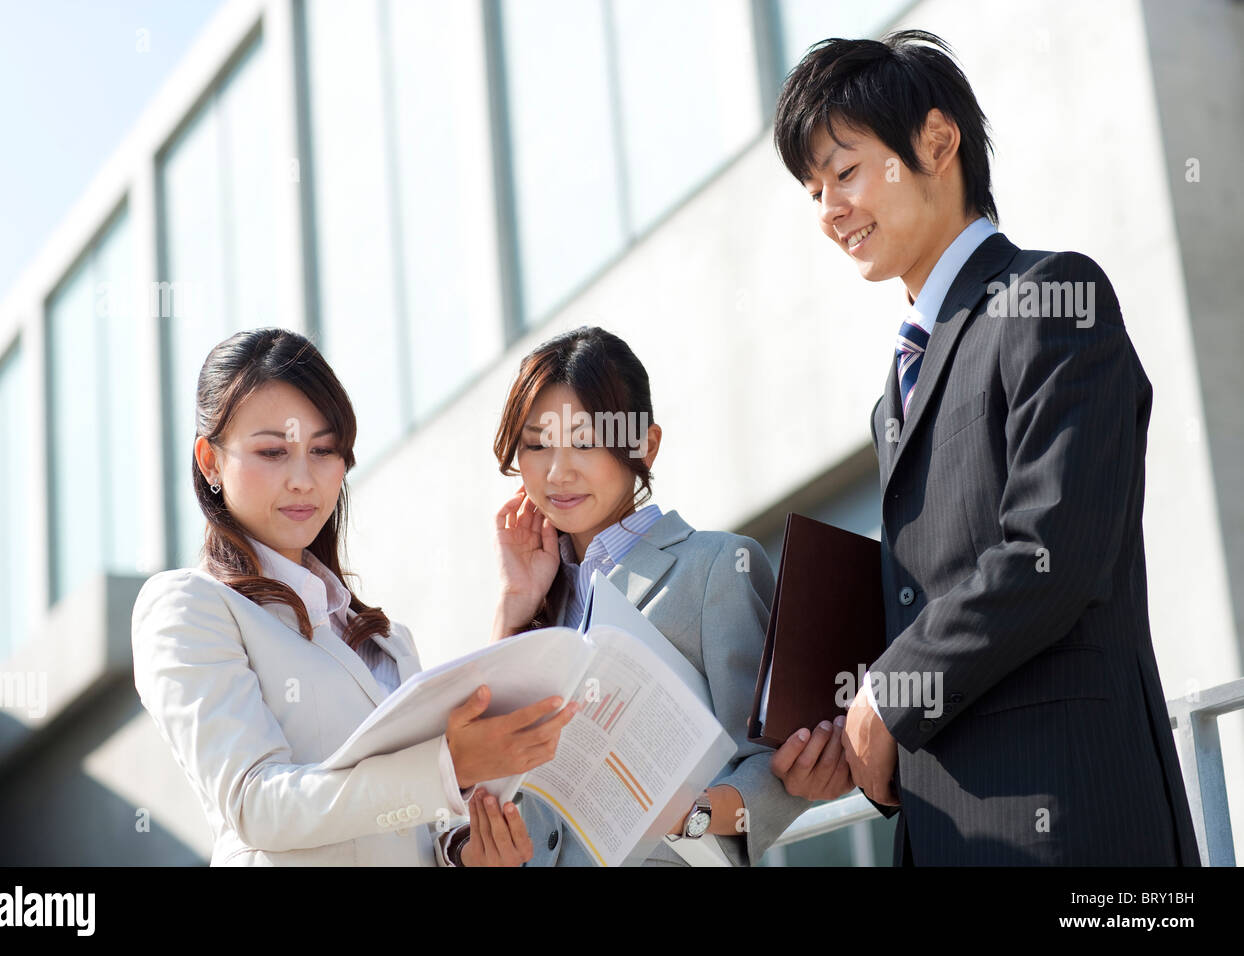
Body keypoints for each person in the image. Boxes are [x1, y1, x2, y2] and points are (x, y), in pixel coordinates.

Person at [770, 30, 1199, 864]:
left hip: (1072, 824)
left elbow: (1052, 554)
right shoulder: (891, 399)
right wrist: (845, 731)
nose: (828, 211)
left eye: (845, 173)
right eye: (814, 190)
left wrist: (889, 698)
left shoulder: (1051, 299)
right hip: (944, 834)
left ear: (936, 142)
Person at [131, 328, 577, 866]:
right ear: (210, 461)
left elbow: (416, 827)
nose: (303, 479)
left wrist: (464, 851)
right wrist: (445, 766)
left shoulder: (386, 640)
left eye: (323, 450)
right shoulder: (187, 606)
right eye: (272, 451)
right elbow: (255, 803)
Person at [440, 326, 853, 868]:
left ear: (645, 445)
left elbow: (786, 762)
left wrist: (694, 813)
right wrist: (511, 607)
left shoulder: (714, 567)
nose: (558, 471)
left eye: (585, 441)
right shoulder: (533, 602)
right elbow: (483, 786)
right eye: (537, 445)